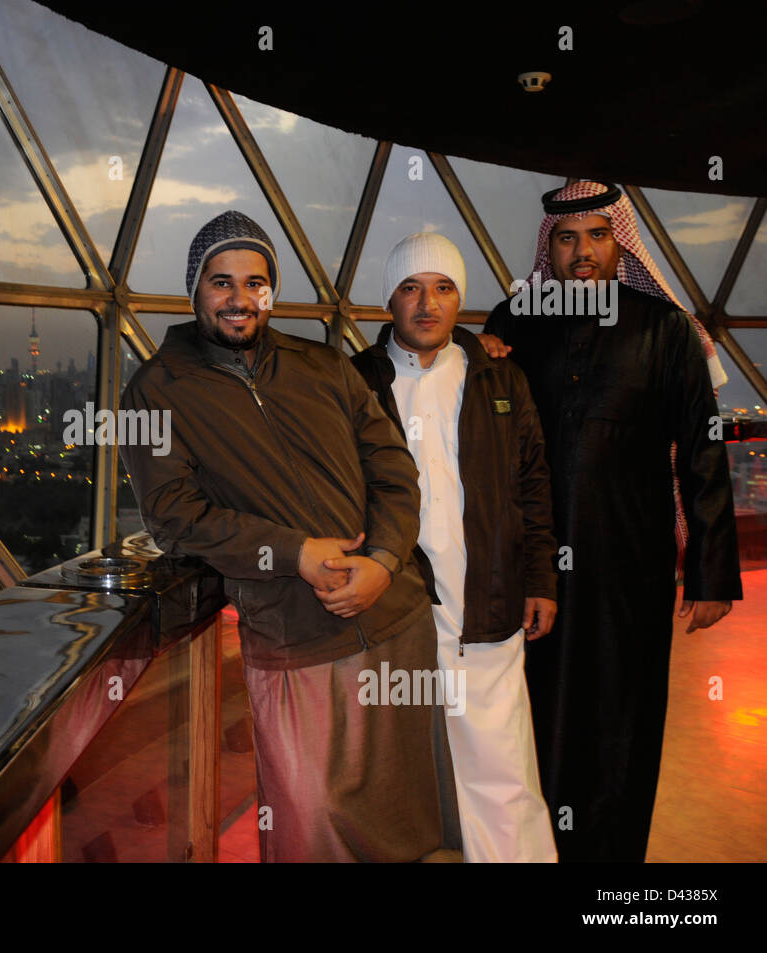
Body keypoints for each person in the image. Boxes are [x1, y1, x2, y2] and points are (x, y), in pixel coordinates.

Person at [119, 210, 446, 862]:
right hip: (292, 635)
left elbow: (393, 470)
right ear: (195, 290)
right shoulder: (154, 390)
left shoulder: (322, 365)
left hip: (396, 617)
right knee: (309, 821)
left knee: (407, 818)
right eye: (221, 281)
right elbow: (172, 514)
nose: (241, 299)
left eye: (256, 281)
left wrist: (383, 558)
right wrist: (294, 552)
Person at [483, 182, 743, 862]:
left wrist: (711, 573)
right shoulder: (513, 324)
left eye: (597, 236)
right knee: (529, 713)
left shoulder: (665, 330)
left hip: (631, 565)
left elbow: (702, 447)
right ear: (551, 247)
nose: (582, 253)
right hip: (529, 565)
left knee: (621, 718)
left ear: (618, 242)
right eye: (567, 239)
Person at [351, 232, 558, 862]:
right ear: (389, 297)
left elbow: (532, 485)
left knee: (504, 769)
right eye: (411, 287)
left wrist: (542, 579)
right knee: (403, 776)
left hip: (488, 607)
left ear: (459, 298)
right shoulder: (355, 381)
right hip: (396, 613)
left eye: (442, 288)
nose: (427, 304)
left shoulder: (500, 375)